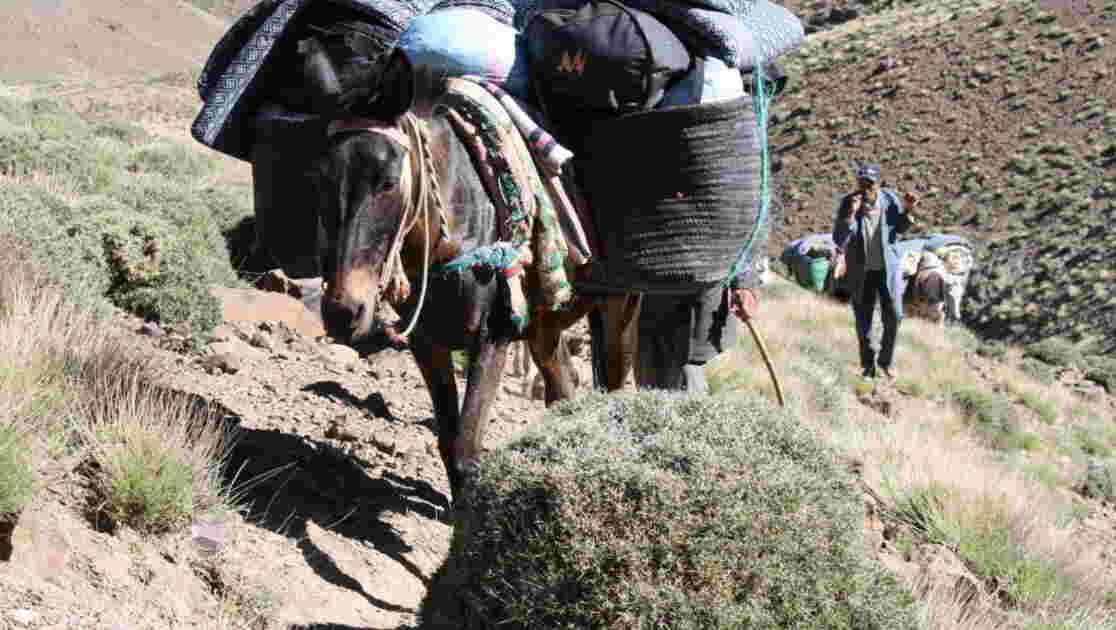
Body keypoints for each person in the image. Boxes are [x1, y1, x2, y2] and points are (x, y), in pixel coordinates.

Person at [832, 163, 919, 380]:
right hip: (861, 272)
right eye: (861, 182)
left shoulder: (889, 199)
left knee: (895, 315)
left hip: (886, 269)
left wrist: (908, 209)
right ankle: (868, 366)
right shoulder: (849, 203)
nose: (865, 187)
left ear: (878, 183)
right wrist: (851, 214)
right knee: (864, 319)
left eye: (869, 183)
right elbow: (839, 238)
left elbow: (899, 229)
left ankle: (886, 362)